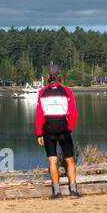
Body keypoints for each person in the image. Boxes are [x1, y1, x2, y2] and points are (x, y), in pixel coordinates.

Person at [35, 63, 79, 198]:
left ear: (48, 77)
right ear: (60, 76)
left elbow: (39, 115)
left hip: (48, 129)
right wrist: (69, 128)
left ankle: (57, 191)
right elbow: (73, 113)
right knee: (70, 160)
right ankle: (73, 190)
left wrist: (39, 133)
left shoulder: (42, 92)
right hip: (63, 128)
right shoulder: (67, 91)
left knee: (52, 161)